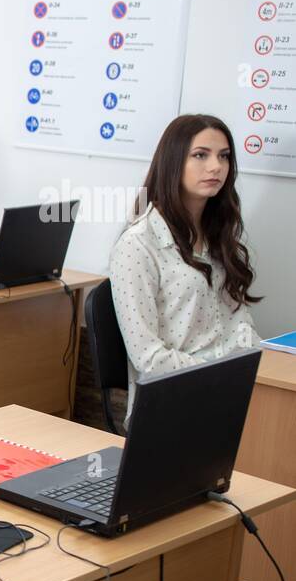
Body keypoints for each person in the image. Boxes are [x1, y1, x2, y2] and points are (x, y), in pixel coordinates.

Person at [109, 114, 260, 419]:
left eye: (224, 156)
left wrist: (253, 368)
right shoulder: (138, 244)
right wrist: (221, 374)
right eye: (200, 155)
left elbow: (242, 326)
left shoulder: (219, 236)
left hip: (227, 392)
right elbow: (148, 358)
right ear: (173, 162)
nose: (216, 166)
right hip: (173, 404)